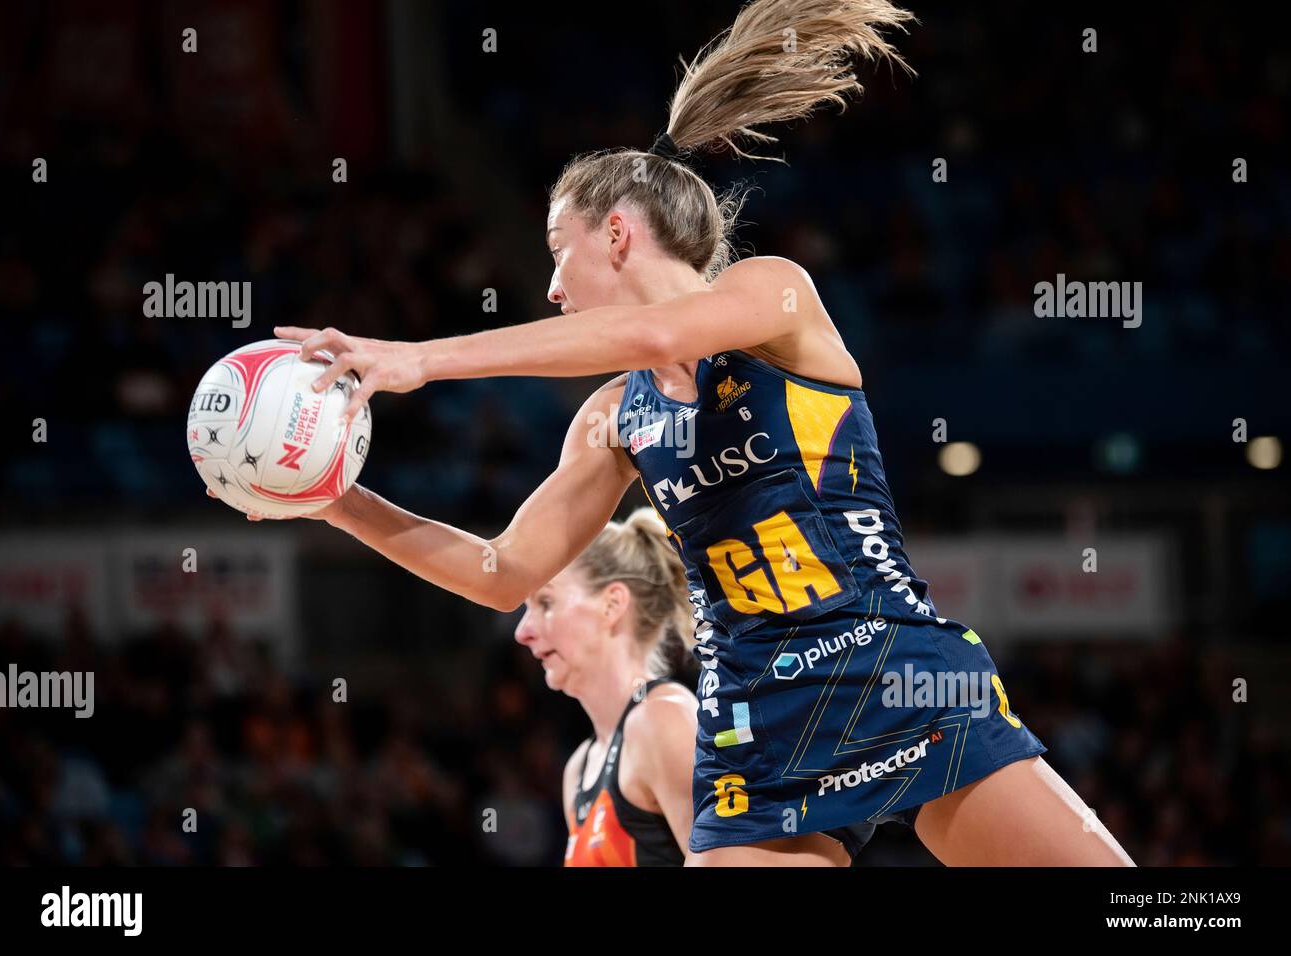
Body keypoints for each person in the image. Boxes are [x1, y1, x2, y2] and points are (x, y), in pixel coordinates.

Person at [251, 0, 1134, 866]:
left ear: (621, 235)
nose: (552, 286)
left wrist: (422, 359)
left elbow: (661, 334)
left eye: (559, 250)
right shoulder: (614, 416)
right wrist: (333, 500)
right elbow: (502, 573)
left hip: (891, 666)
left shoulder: (773, 298)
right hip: (752, 708)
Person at [513, 509, 697, 866]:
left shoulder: (663, 721)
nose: (523, 631)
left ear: (612, 605)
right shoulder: (579, 767)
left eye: (545, 603)